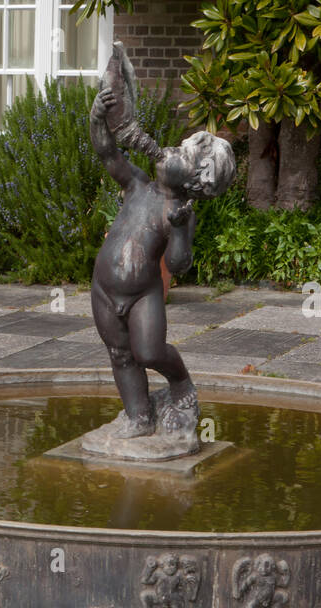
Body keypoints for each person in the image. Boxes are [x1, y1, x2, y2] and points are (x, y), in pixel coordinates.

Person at [89, 45, 235, 440]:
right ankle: (139, 416)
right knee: (120, 355)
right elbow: (106, 153)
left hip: (143, 296)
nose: (170, 148)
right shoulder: (137, 183)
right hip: (103, 289)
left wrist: (183, 229)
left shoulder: (178, 213)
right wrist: (98, 118)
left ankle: (181, 383)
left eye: (182, 153)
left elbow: (180, 264)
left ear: (194, 183)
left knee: (149, 352)